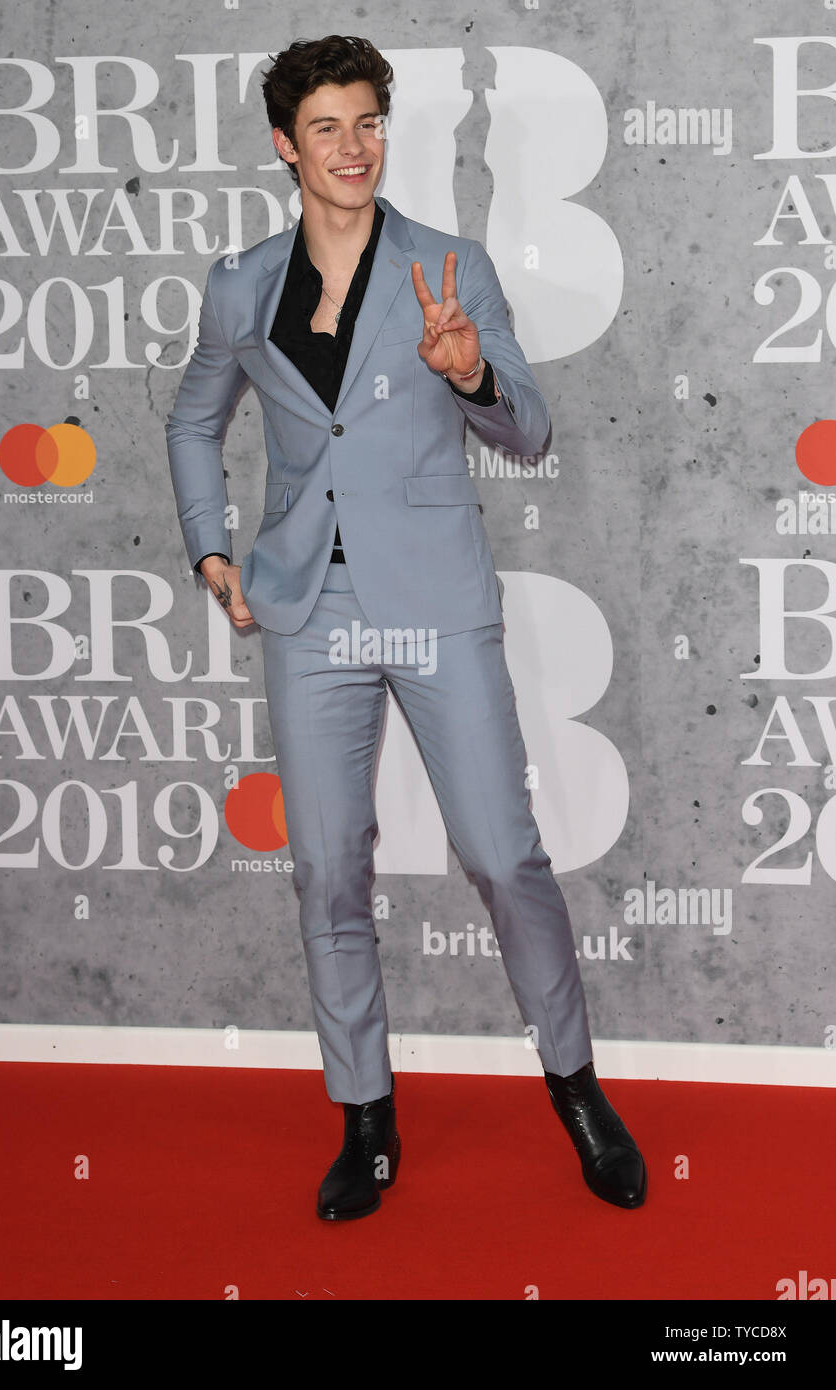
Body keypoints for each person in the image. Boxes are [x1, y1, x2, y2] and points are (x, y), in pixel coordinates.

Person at [165, 34, 646, 1220]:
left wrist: (473, 370)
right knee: (328, 869)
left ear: (387, 130)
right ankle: (366, 1119)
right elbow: (190, 421)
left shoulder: (448, 265)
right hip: (304, 607)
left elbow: (528, 432)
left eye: (367, 122)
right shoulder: (241, 285)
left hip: (433, 598)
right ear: (284, 144)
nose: (351, 147)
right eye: (324, 127)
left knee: (501, 852)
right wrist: (211, 548)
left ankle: (576, 1086)